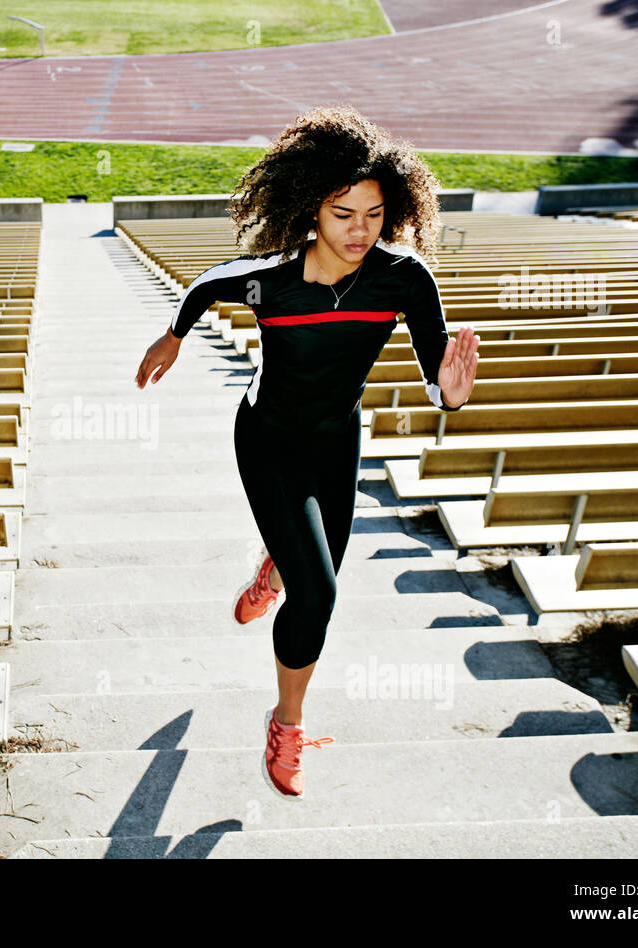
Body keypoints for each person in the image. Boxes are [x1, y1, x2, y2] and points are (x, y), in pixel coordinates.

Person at [133, 105, 479, 800]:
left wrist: (450, 397)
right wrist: (173, 335)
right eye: (343, 212)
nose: (360, 231)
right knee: (319, 592)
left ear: (394, 211)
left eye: (375, 214)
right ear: (311, 208)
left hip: (336, 443)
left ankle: (276, 567)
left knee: (310, 592)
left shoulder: (404, 279)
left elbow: (433, 371)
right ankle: (286, 724)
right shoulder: (272, 277)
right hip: (267, 441)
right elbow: (206, 283)